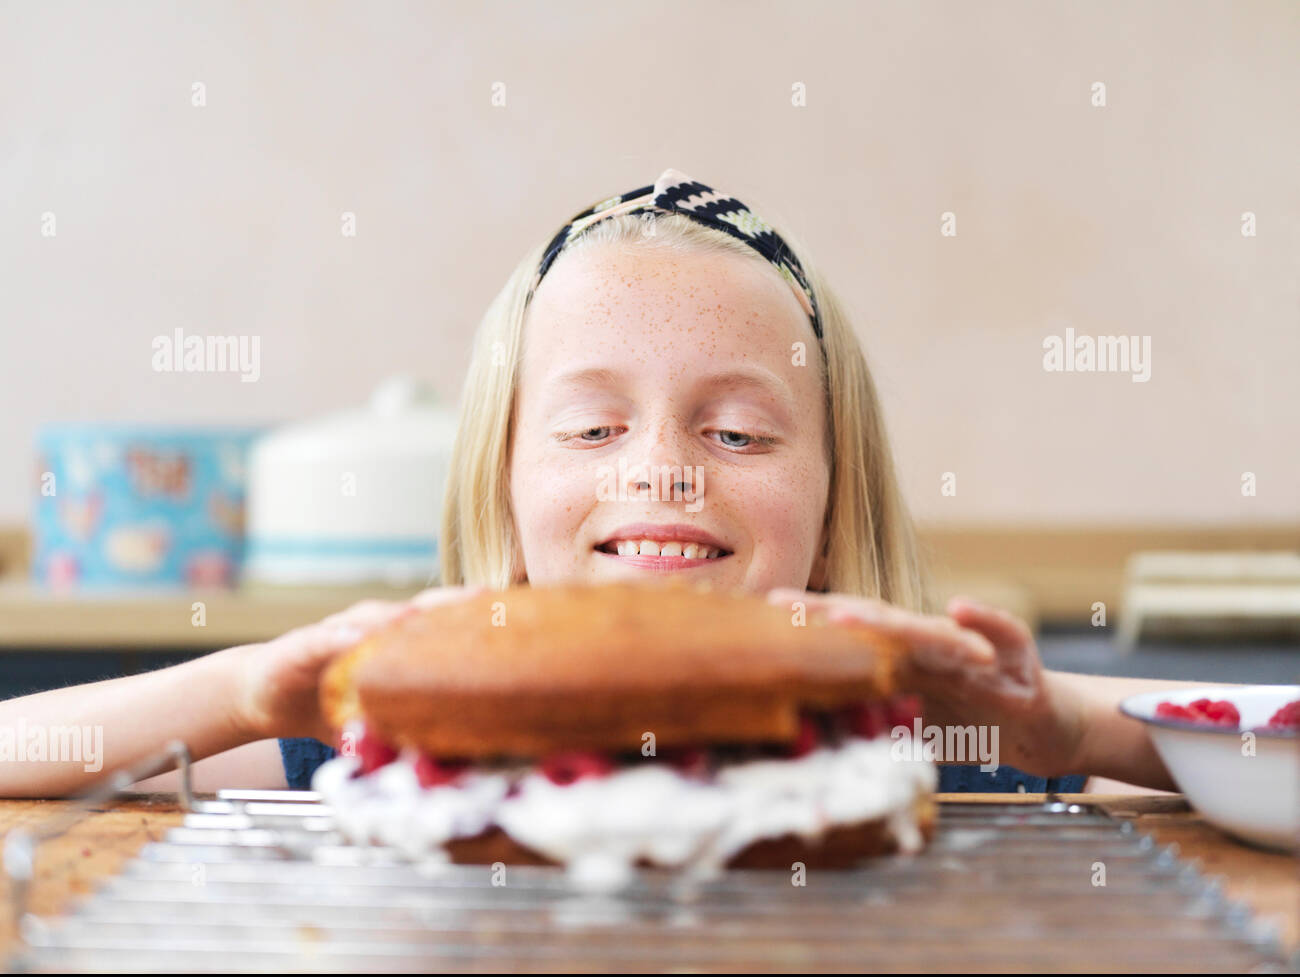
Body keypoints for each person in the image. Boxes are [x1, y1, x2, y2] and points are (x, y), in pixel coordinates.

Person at [1, 169, 1206, 799]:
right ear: (503, 498)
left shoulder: (916, 734)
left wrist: (1062, 726)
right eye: (589, 426)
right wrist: (257, 691)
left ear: (837, 513)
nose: (662, 469)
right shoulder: (427, 745)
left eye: (737, 432)